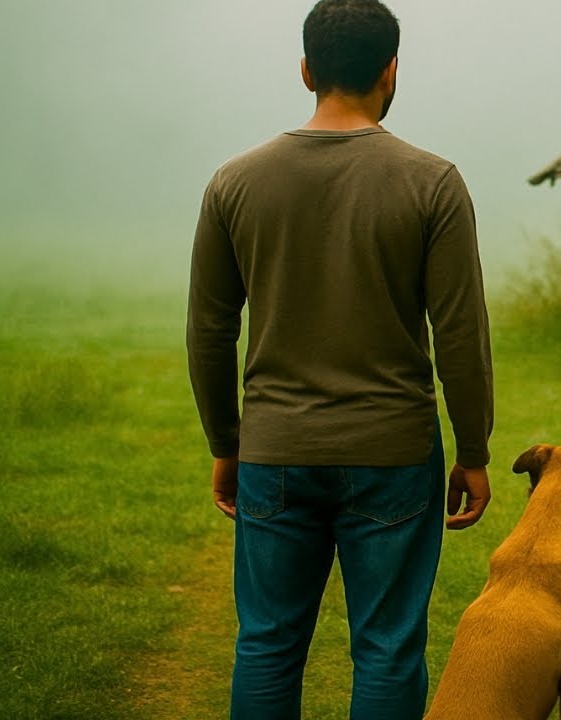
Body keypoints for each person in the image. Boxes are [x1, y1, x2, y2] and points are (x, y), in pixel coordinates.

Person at [185, 1, 493, 717]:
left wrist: (225, 443)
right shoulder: (433, 182)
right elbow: (460, 333)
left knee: (265, 642)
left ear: (305, 71)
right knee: (387, 646)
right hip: (392, 454)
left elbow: (208, 329)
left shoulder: (234, 183)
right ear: (391, 71)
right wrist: (473, 449)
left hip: (275, 449)